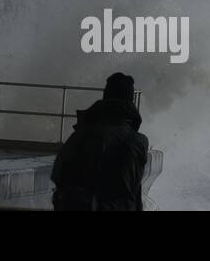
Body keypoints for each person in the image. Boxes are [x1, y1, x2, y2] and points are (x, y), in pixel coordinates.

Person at [51, 72, 149, 211]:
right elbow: (135, 190)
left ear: (105, 95)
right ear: (131, 100)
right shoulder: (139, 141)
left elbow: (58, 173)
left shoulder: (83, 134)